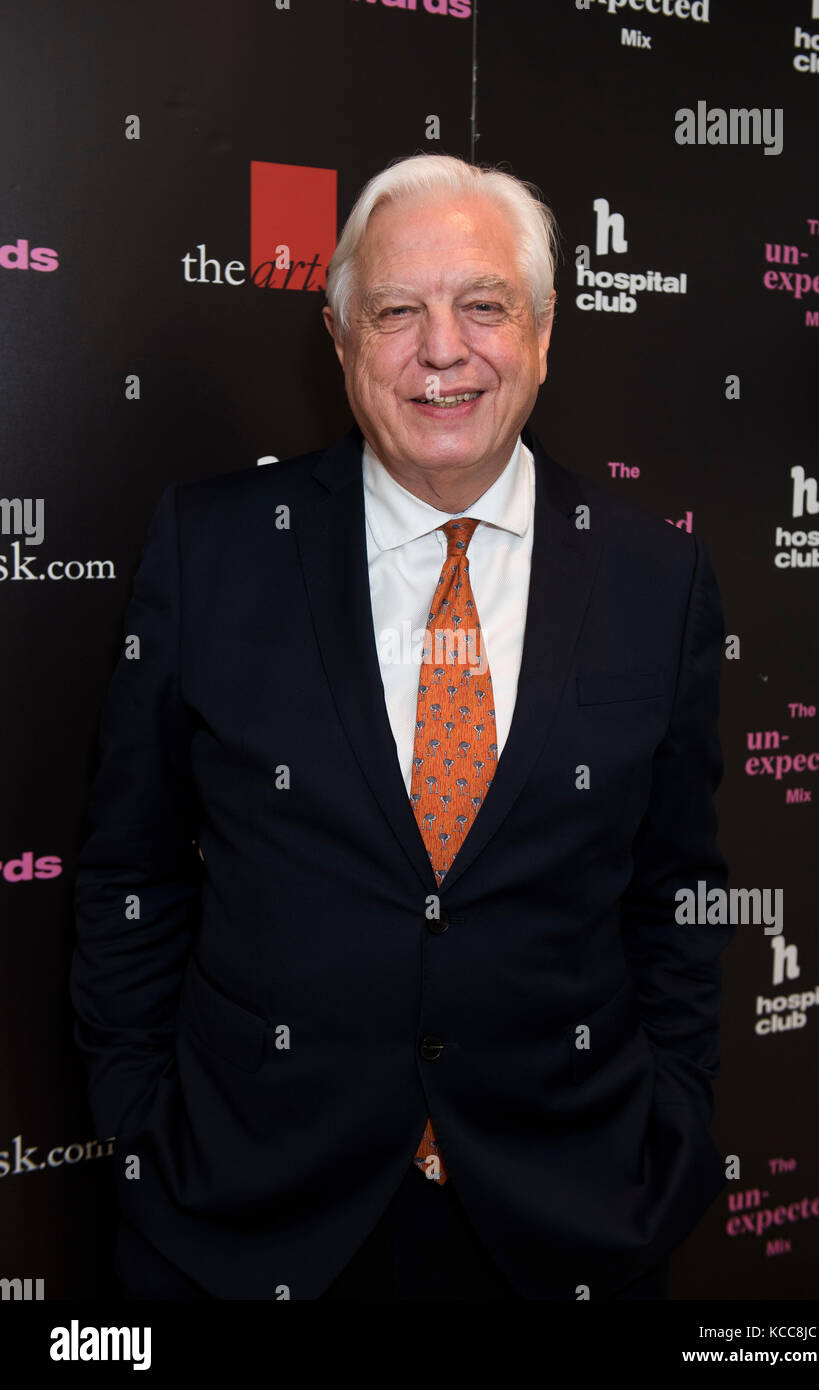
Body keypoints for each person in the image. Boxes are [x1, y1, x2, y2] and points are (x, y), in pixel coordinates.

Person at [70, 152, 732, 1301]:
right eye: (396, 311)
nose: (441, 350)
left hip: (565, 1226)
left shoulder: (656, 577)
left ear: (542, 333)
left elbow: (677, 894)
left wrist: (669, 1129)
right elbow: (131, 869)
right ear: (339, 343)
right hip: (248, 1222)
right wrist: (143, 1128)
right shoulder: (212, 550)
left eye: (483, 305)